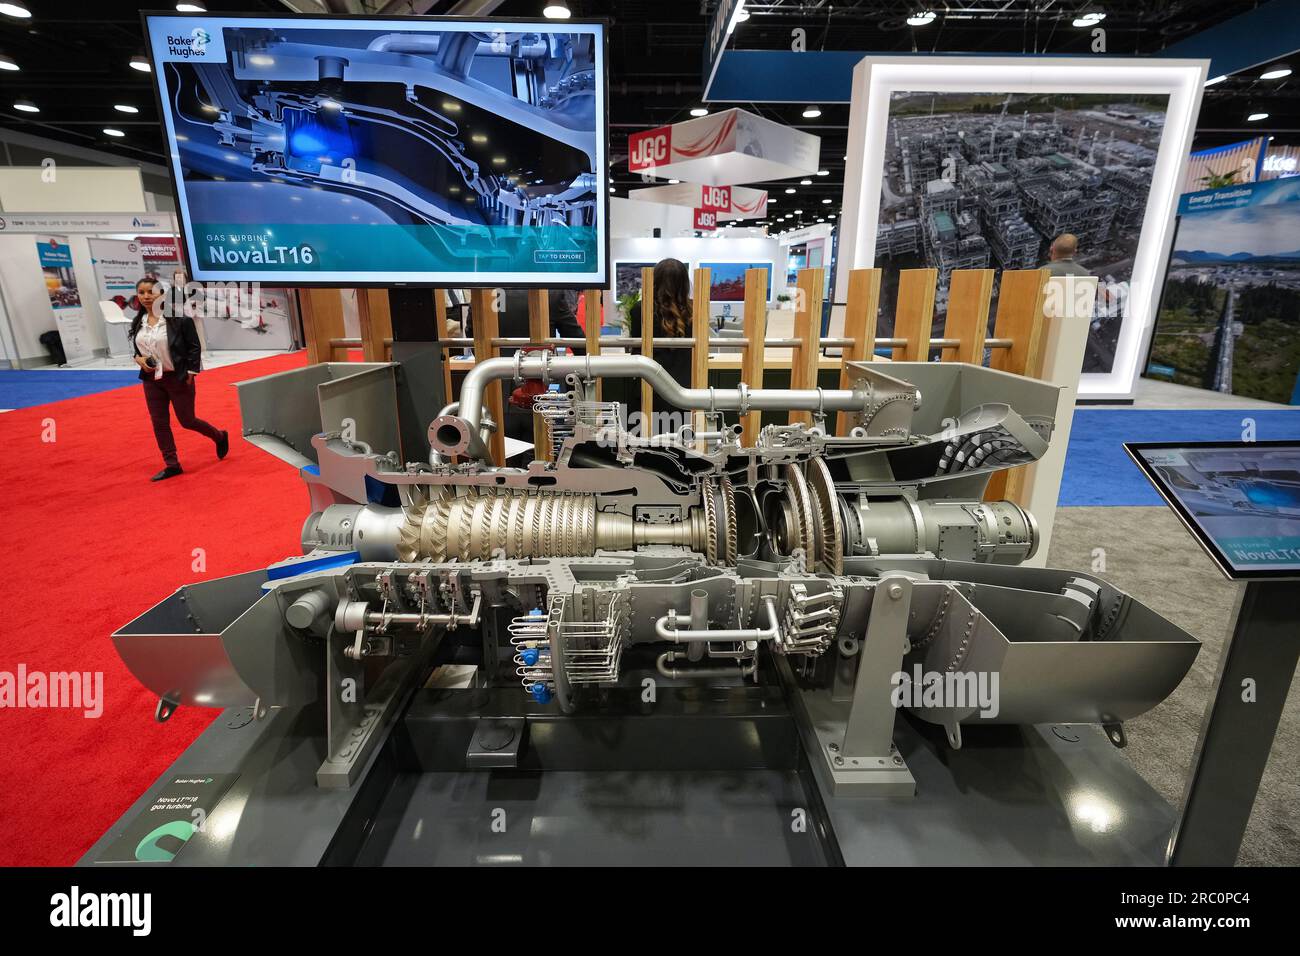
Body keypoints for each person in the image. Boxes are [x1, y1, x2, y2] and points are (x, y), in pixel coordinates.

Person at [129, 276, 228, 481]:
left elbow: (194, 347)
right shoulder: (138, 321)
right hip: (151, 380)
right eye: (141, 293)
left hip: (179, 377)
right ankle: (172, 464)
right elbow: (136, 350)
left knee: (187, 420)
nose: (146, 297)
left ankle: (219, 436)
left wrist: (192, 373)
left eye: (151, 292)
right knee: (159, 423)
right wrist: (138, 359)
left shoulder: (179, 319)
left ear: (162, 295)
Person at [628, 257, 693, 426]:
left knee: (645, 444)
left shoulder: (639, 310)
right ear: (684, 283)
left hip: (650, 389)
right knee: (682, 446)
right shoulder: (695, 311)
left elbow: (635, 352)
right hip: (685, 393)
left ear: (654, 280)